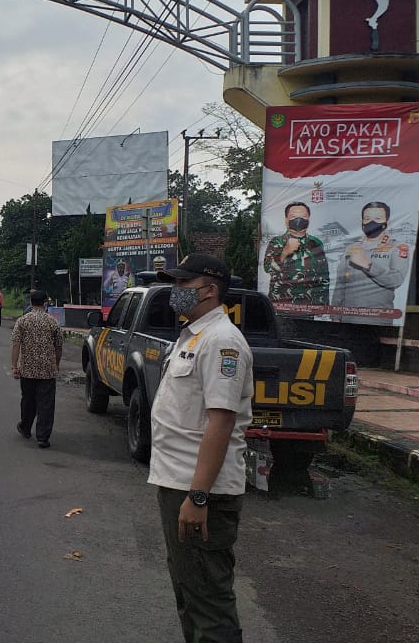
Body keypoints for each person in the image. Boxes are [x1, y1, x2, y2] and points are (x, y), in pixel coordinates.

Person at [150, 253, 254, 643]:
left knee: (208, 600)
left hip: (200, 489)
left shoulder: (222, 341)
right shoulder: (193, 334)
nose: (175, 291)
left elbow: (221, 421)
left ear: (210, 290)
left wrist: (197, 496)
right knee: (190, 592)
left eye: (183, 284)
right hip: (180, 480)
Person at [331, 201, 410, 322]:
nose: (371, 222)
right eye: (367, 218)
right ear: (362, 222)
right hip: (348, 320)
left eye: (377, 218)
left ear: (387, 222)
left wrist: (368, 265)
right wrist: (335, 315)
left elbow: (396, 280)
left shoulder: (396, 247)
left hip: (378, 321)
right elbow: (340, 284)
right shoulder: (352, 248)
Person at [11, 289, 63, 448]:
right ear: (45, 303)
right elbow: (59, 346)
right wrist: (56, 364)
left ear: (31, 303)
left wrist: (15, 366)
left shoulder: (22, 321)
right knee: (46, 404)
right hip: (47, 370)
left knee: (28, 401)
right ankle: (43, 437)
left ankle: (26, 428)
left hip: (27, 369)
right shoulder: (52, 322)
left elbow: (16, 344)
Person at [262, 202, 330, 308]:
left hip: (308, 305)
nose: (299, 220)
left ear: (308, 219)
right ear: (286, 220)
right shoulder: (277, 242)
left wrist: (323, 304)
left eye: (303, 216)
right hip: (281, 304)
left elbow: (323, 275)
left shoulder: (316, 243)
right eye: (293, 217)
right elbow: (267, 267)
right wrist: (285, 252)